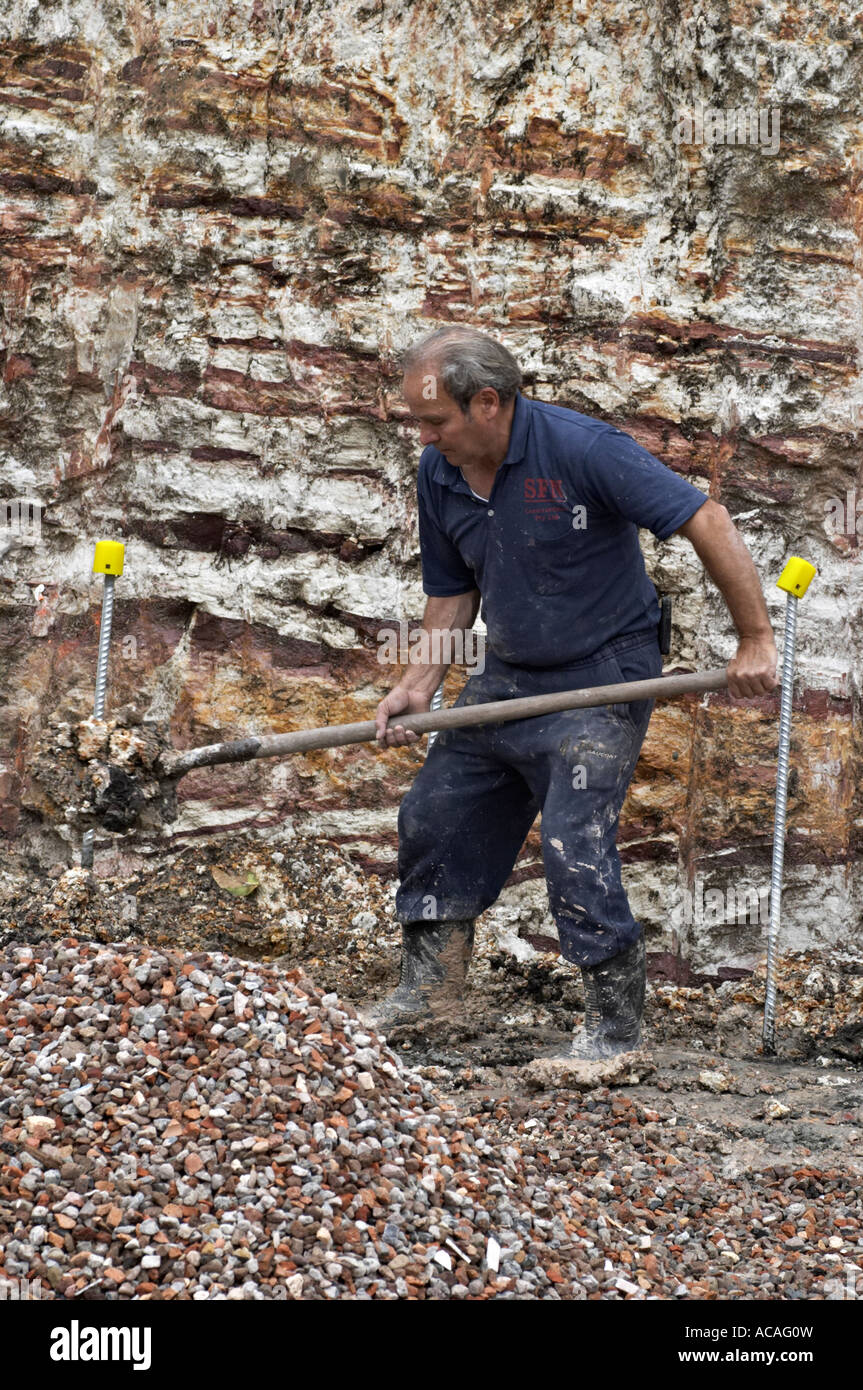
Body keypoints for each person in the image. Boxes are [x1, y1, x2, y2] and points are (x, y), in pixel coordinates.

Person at [360, 326, 778, 1059]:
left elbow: (703, 518)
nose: (424, 440)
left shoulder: (583, 450)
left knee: (571, 838)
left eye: (435, 422)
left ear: (486, 402)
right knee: (435, 812)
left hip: (603, 671)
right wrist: (418, 682)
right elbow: (452, 589)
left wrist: (753, 639)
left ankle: (613, 1031)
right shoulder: (442, 473)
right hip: (510, 673)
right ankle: (430, 992)